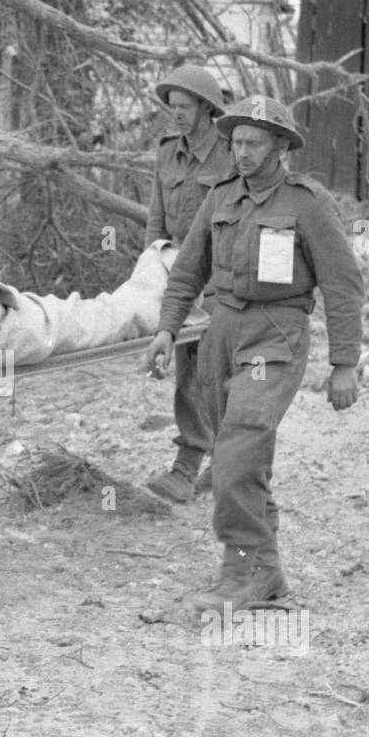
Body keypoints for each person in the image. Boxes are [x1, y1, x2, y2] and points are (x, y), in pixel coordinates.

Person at [144, 95, 363, 613]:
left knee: (238, 450)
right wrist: (165, 330)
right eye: (236, 141)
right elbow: (186, 271)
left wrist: (344, 363)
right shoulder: (219, 198)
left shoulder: (306, 204)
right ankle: (267, 574)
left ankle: (237, 574)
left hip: (276, 334)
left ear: (281, 146)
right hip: (220, 333)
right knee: (238, 455)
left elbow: (342, 283)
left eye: (254, 142)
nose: (241, 151)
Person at [144, 65, 233, 503]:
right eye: (172, 106)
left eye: (185, 106)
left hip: (224, 277)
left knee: (216, 372)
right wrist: (151, 272)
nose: (176, 114)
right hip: (180, 273)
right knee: (189, 372)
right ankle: (190, 466)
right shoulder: (165, 153)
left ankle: (216, 463)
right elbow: (156, 222)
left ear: (205, 107)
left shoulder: (233, 153)